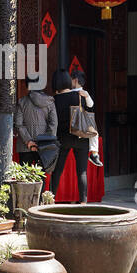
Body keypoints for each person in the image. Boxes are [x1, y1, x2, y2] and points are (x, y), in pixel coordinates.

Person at [50, 68, 91, 202]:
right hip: (81, 136)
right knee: (82, 171)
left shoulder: (54, 100)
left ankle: (50, 199)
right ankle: (83, 202)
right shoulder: (80, 95)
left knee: (57, 170)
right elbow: (88, 109)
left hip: (62, 138)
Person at [13, 87, 57, 170]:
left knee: (24, 178)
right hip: (44, 146)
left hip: (24, 146)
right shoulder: (50, 102)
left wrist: (28, 141)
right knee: (41, 178)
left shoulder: (22, 101)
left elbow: (18, 124)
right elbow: (53, 124)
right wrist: (45, 142)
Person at [70, 70, 103, 168]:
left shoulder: (69, 93)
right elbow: (91, 105)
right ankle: (94, 154)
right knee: (94, 133)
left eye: (70, 79)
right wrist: (87, 96)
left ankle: (94, 154)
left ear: (75, 80)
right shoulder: (85, 93)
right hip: (82, 123)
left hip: (71, 122)